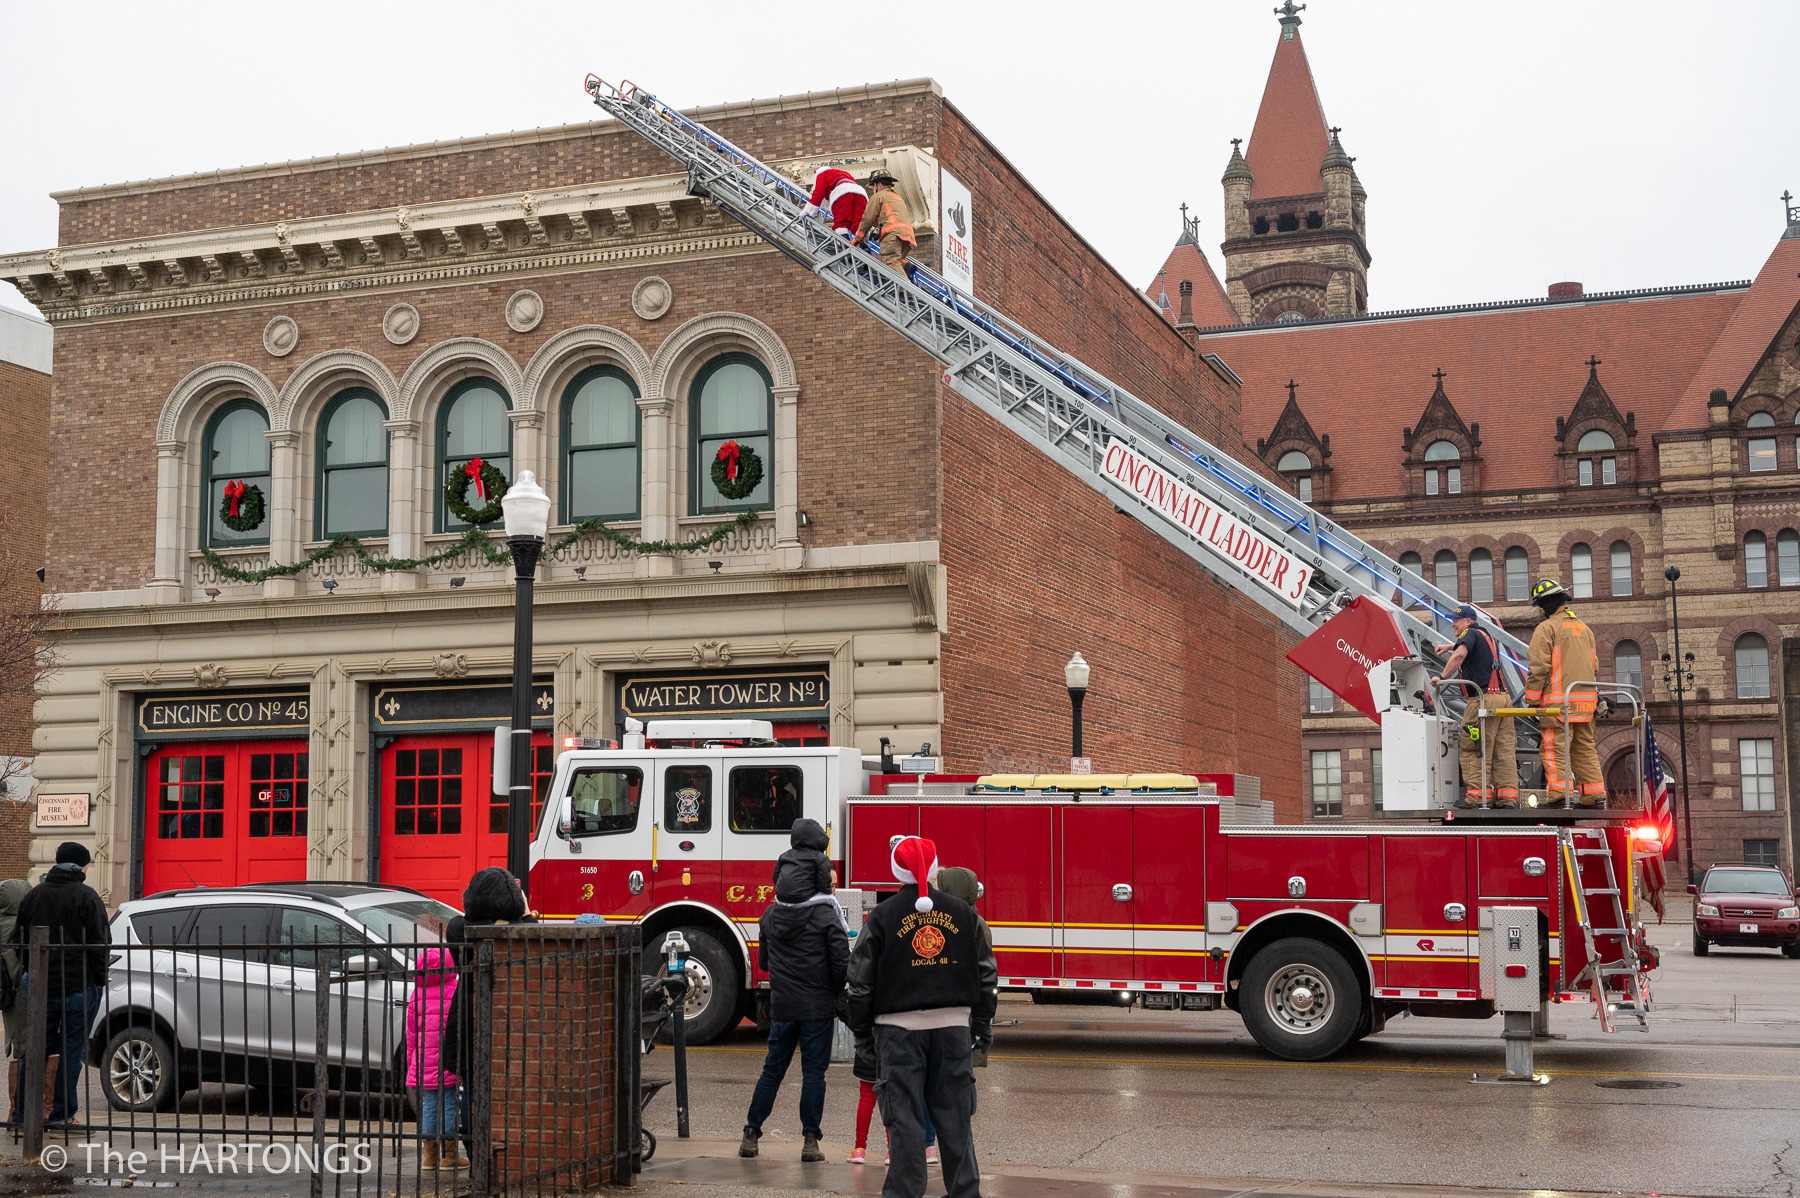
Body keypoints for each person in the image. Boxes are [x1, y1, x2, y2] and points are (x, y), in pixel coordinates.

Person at [847, 837, 997, 1198]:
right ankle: (965, 1192)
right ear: (933, 868)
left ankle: (903, 1192)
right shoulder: (965, 915)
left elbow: (859, 984)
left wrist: (864, 1036)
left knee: (905, 1122)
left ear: (896, 870)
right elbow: (987, 977)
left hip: (898, 1034)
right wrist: (979, 1029)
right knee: (955, 1121)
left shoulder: (882, 917)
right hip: (953, 1031)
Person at [739, 835, 849, 1164]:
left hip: (783, 1005)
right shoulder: (827, 917)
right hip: (817, 1008)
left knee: (772, 1071)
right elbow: (841, 963)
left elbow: (765, 964)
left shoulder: (771, 916)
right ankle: (810, 1140)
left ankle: (751, 1134)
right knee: (814, 1075)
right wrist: (833, 990)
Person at [440, 868, 536, 1159]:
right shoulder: (516, 931)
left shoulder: (461, 930)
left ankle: (475, 1157)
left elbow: (460, 920)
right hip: (505, 1022)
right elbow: (533, 932)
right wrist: (525, 911)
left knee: (472, 1088)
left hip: (468, 1021)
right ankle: (493, 1157)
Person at [13, 843, 109, 1126]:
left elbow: (19, 940)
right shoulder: (87, 896)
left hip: (41, 984)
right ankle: (61, 1115)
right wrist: (99, 981)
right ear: (80, 866)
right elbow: (99, 945)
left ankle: (22, 1114)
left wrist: (29, 970)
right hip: (78, 985)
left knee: (35, 1050)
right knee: (70, 1052)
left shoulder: (34, 896)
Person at [1523, 579, 1604, 807]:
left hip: (1558, 705)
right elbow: (1594, 666)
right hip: (1587, 703)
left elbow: (1538, 667)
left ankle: (1560, 795)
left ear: (1545, 604)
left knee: (1554, 749)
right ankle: (1594, 794)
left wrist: (1531, 700)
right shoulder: (1584, 629)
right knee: (1584, 748)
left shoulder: (1547, 628)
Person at [1436, 605, 1519, 808]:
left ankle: (1476, 797)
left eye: (1457, 620)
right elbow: (1467, 650)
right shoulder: (1485, 635)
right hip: (1503, 700)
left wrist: (1442, 677)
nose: (1453, 624)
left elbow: (1460, 655)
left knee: (1474, 747)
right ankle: (1507, 798)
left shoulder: (1469, 633)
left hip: (1483, 700)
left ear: (1468, 621)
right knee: (1503, 751)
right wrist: (1450, 646)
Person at [406, 946, 468, 1170]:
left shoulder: (416, 994)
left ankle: (429, 1156)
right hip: (448, 1058)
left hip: (424, 1059)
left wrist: (411, 1060)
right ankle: (449, 1155)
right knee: (450, 1103)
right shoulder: (454, 989)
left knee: (429, 1103)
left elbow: (411, 1034)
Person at [1, 877, 29, 1125]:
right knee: (22, 1048)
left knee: (18, 1046)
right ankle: (16, 1112)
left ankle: (17, 1110)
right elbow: (14, 964)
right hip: (20, 993)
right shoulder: (13, 926)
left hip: (9, 996)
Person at [852, 170, 917, 275]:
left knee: (889, 260)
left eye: (873, 186)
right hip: (907, 235)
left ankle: (904, 289)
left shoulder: (878, 196)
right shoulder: (897, 197)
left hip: (893, 235)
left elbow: (867, 219)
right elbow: (889, 216)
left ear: (879, 185)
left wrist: (857, 238)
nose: (873, 189)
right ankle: (904, 265)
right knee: (894, 261)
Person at [774, 818, 833, 905]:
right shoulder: (820, 858)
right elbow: (824, 883)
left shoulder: (784, 855)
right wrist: (828, 891)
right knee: (833, 900)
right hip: (803, 898)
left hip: (781, 898)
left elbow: (775, 877)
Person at [800, 166, 868, 241]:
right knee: (858, 223)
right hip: (860, 193)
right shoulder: (843, 174)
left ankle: (843, 245)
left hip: (842, 192)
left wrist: (807, 211)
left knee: (841, 222)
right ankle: (864, 245)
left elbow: (818, 194)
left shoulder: (821, 174)